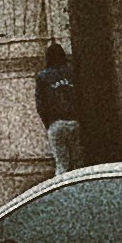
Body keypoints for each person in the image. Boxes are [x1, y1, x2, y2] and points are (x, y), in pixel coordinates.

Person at [35, 41, 85, 174]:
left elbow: (41, 104)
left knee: (62, 164)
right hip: (74, 121)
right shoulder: (72, 73)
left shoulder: (43, 76)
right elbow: (80, 96)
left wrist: (48, 123)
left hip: (56, 122)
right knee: (78, 162)